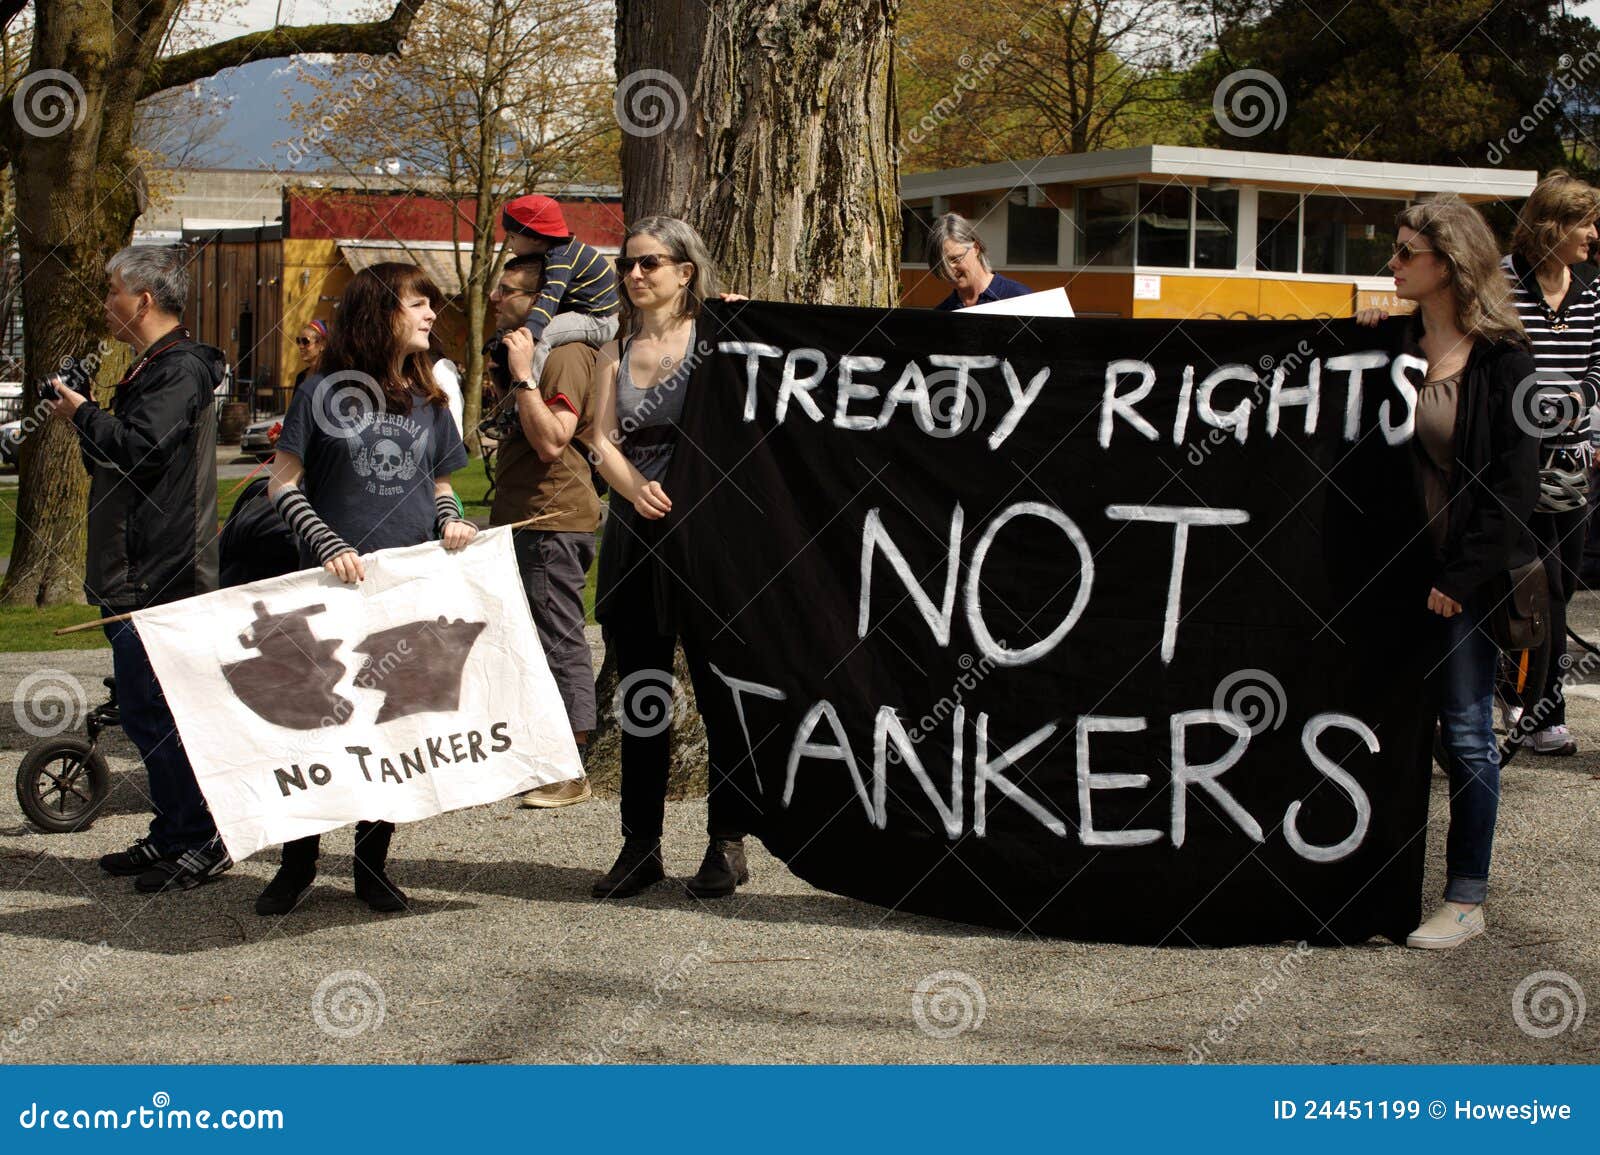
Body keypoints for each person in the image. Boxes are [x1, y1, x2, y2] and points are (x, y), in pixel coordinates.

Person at [258, 262, 475, 916]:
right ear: (380, 312)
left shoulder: (431, 397)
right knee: (312, 727)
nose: (431, 315)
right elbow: (281, 484)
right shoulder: (321, 389)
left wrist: (452, 522)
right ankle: (297, 862)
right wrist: (326, 542)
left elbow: (439, 487)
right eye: (418, 304)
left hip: (401, 591)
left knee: (392, 726)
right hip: (322, 592)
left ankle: (370, 864)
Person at [1357, 196, 1539, 949]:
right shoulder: (1392, 343)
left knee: (1465, 732)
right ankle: (1365, 882)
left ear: (1450, 263)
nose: (1392, 264)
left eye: (1405, 253)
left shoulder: (1504, 361)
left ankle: (1466, 896)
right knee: (1384, 723)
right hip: (1394, 579)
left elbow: (1515, 486)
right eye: (1394, 251)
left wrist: (1461, 577)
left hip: (1458, 586)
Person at [583, 215, 759, 900]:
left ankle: (728, 841)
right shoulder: (614, 346)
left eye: (649, 263)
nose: (633, 274)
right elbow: (597, 436)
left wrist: (749, 322)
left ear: (685, 271)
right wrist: (629, 486)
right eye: (627, 263)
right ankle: (640, 845)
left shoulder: (719, 338)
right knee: (643, 696)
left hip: (708, 532)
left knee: (721, 692)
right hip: (634, 533)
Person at [49, 244, 232, 894]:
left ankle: (202, 837)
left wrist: (81, 411)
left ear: (144, 299)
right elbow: (116, 459)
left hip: (160, 571)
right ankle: (175, 830)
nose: (106, 305)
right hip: (134, 566)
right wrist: (89, 413)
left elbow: (142, 449)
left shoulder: (178, 368)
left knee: (158, 708)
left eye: (111, 293)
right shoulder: (153, 368)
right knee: (147, 709)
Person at [486, 253, 603, 808]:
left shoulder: (567, 355)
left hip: (552, 520)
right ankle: (539, 755)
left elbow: (554, 439)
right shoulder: (540, 352)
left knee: (559, 641)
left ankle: (572, 767)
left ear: (543, 302)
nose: (494, 299)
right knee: (529, 641)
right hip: (526, 517)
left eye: (509, 292)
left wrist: (523, 375)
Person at [1500, 171, 1600, 755]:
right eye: (1584, 222)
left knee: (1557, 586)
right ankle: (1506, 691)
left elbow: (1598, 366)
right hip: (1512, 464)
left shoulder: (1592, 288)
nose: (1592, 234)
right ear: (1552, 226)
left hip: (1570, 464)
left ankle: (1544, 710)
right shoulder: (1503, 283)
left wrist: (1577, 401)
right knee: (1514, 582)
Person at [501, 193, 620, 382]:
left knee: (543, 336)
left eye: (512, 237)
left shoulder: (560, 260)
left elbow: (550, 296)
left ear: (537, 239)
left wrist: (531, 332)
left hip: (599, 320)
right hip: (593, 315)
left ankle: (528, 384)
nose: (508, 245)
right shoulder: (563, 251)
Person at [927, 213, 1032, 310]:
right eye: (941, 264)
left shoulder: (1020, 298)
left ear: (976, 248)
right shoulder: (942, 313)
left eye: (956, 259)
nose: (949, 270)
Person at [292, 318, 328, 388]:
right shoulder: (301, 377)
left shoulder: (329, 377)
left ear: (322, 345)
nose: (301, 346)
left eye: (305, 341)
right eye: (298, 341)